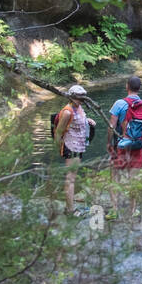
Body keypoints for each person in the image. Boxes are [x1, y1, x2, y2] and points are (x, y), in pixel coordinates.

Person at [52, 84, 91, 214]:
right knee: (71, 178)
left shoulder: (79, 107)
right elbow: (58, 132)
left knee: (73, 177)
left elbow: (78, 122)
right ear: (72, 97)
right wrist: (59, 149)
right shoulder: (68, 112)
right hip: (71, 147)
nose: (81, 100)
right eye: (79, 98)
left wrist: (88, 121)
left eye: (83, 98)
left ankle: (70, 205)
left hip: (79, 146)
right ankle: (70, 210)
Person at [107, 76, 142, 179]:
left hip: (121, 143)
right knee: (134, 178)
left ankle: (115, 195)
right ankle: (132, 194)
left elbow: (111, 126)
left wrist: (109, 143)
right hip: (138, 143)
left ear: (127, 86)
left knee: (115, 173)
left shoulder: (119, 104)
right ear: (139, 88)